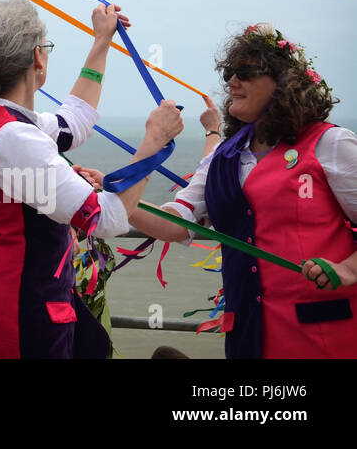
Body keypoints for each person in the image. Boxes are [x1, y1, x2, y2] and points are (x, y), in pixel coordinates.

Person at [0, 0, 183, 359]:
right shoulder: (15, 136)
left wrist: (101, 42)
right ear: (38, 57)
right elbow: (108, 217)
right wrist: (153, 141)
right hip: (16, 314)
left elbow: (74, 123)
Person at [130, 23, 357, 358]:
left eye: (245, 72)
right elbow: (177, 222)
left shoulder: (331, 144)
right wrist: (109, 198)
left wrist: (347, 270)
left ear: (283, 81)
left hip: (322, 337)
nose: (231, 82)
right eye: (228, 73)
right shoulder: (222, 159)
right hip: (249, 337)